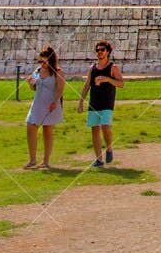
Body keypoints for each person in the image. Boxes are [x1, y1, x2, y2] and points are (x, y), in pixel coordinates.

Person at [77, 39, 123, 168]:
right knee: (94, 130)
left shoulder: (112, 67)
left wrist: (107, 79)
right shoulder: (92, 68)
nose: (99, 52)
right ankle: (98, 159)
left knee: (105, 126)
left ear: (108, 52)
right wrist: (81, 102)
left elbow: (121, 83)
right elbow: (86, 85)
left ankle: (109, 148)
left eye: (102, 50)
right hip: (94, 102)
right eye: (97, 50)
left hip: (107, 102)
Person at [23, 47, 66, 169]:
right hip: (37, 103)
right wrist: (30, 84)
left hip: (51, 104)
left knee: (48, 131)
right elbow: (34, 88)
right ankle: (32, 160)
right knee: (31, 127)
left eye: (45, 61)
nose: (43, 64)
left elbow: (60, 89)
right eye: (41, 61)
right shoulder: (37, 71)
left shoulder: (58, 72)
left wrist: (55, 101)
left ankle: (46, 161)